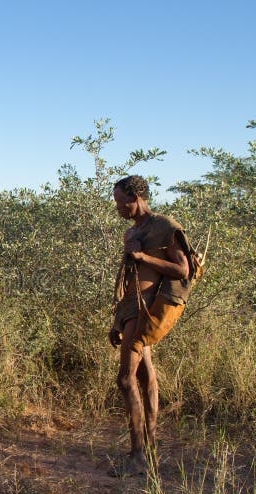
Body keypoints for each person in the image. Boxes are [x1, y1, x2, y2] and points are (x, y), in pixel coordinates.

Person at [109, 175, 190, 476]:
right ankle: (149, 448)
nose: (117, 207)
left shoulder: (164, 227)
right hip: (133, 309)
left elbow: (182, 269)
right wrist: (118, 319)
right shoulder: (133, 231)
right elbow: (131, 277)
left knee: (126, 379)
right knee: (144, 376)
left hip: (151, 308)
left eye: (120, 201)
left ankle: (138, 455)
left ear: (135, 198)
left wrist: (143, 255)